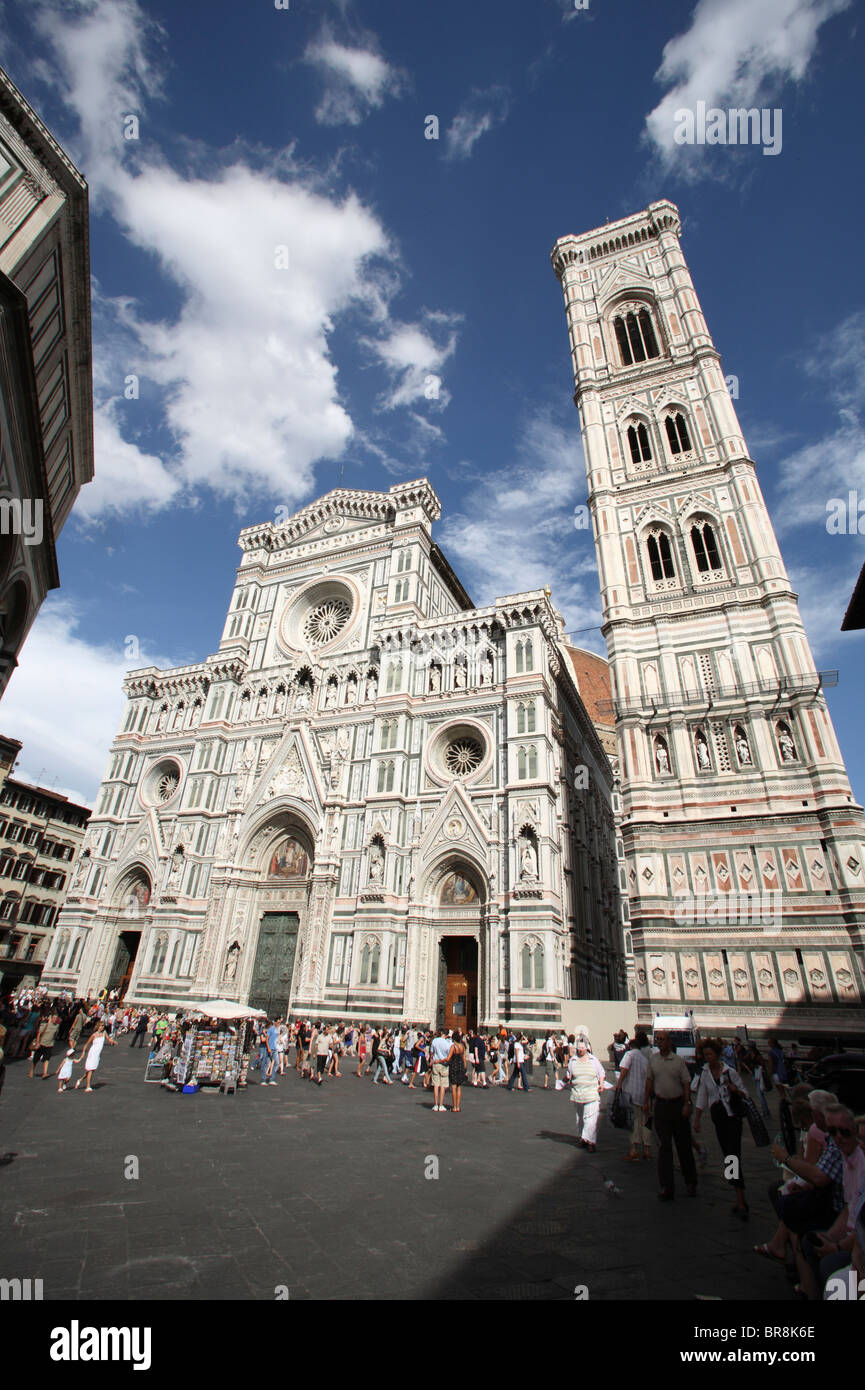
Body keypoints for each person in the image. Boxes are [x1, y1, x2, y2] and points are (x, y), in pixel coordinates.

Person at [694, 1038, 749, 1219]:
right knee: (728, 1155)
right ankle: (737, 1193)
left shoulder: (729, 1072)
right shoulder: (705, 1073)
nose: (708, 1058)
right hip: (718, 1118)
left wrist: (735, 1089)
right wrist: (697, 1118)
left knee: (734, 1154)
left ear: (717, 1054)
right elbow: (702, 1095)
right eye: (706, 1055)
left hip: (732, 1117)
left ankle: (740, 1198)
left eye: (711, 1054)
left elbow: (745, 1093)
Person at [644, 1028, 697, 1200]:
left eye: (662, 1039)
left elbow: (687, 1082)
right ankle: (667, 1186)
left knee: (684, 1146)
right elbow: (649, 1082)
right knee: (664, 1147)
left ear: (669, 1042)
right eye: (657, 1039)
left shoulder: (678, 1061)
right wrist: (647, 1102)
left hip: (678, 1105)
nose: (659, 1042)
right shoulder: (653, 1060)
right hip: (661, 1107)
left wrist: (687, 1103)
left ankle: (690, 1182)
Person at [617, 1030, 652, 1161]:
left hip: (630, 1093)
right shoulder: (644, 1059)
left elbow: (624, 1070)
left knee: (633, 1121)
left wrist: (619, 1085)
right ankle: (647, 1149)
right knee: (645, 1122)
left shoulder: (629, 1055)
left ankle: (634, 1149)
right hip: (643, 1094)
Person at [567, 1036, 605, 1151]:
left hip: (591, 1093)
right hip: (578, 1093)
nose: (580, 1051)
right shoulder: (573, 1060)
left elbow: (601, 1072)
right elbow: (569, 1074)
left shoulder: (593, 1060)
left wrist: (601, 1084)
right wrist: (567, 1079)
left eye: (583, 1049)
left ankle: (591, 1141)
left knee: (590, 1118)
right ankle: (583, 1138)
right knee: (580, 1118)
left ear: (587, 1048)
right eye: (579, 1049)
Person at [74, 1021, 116, 1092]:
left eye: (103, 1026)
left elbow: (108, 1039)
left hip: (97, 1054)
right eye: (101, 1026)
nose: (102, 1027)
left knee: (92, 1070)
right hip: (92, 1053)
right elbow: (86, 1044)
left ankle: (80, 1079)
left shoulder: (104, 1033)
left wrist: (113, 1041)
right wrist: (82, 1054)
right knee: (90, 1069)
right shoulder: (94, 1035)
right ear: (98, 1026)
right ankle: (88, 1086)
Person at [28, 1012, 60, 1079]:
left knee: (47, 1059)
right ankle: (32, 1070)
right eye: (53, 1018)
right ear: (51, 1018)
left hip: (50, 1044)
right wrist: (37, 1042)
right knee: (36, 1059)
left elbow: (55, 1034)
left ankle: (44, 1073)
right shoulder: (45, 1024)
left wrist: (53, 1041)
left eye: (56, 1018)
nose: (55, 1019)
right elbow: (39, 1033)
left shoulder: (56, 1026)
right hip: (42, 1044)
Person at [430, 1028, 451, 1111]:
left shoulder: (435, 1040)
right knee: (443, 1085)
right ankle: (441, 1105)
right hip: (444, 1064)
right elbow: (449, 1054)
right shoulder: (448, 1043)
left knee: (436, 1085)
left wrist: (433, 1058)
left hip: (436, 1063)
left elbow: (432, 1052)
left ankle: (435, 1104)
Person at [447, 1030, 468, 1113]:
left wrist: (440, 1061)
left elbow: (449, 1058)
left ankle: (454, 1107)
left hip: (454, 1066)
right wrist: (465, 1068)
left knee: (453, 1086)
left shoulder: (453, 1047)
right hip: (460, 1066)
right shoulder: (462, 1046)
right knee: (459, 1086)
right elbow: (464, 1059)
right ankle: (458, 1107)